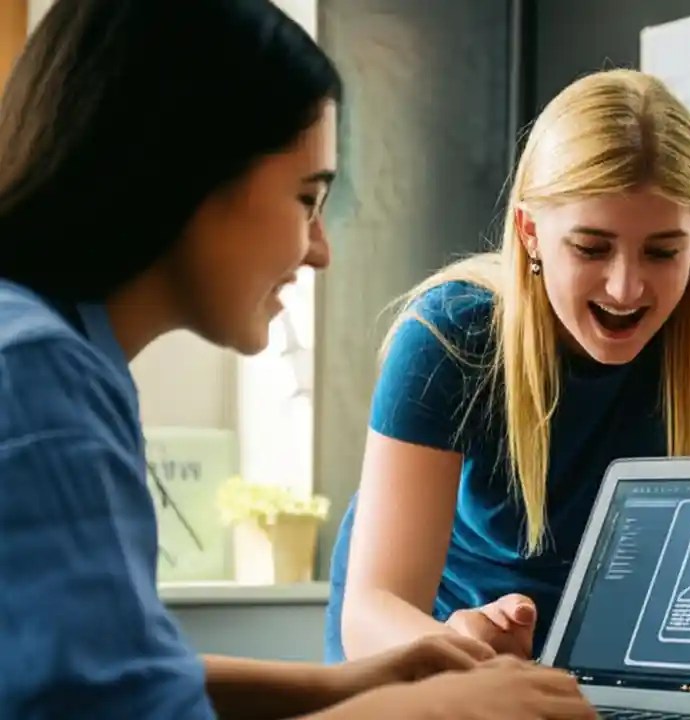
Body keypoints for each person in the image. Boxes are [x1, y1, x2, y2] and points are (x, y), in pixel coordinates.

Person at [0, 1, 593, 718]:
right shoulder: (36, 381)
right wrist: (449, 710)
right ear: (186, 170)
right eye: (306, 198)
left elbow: (117, 678)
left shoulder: (57, 358)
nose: (320, 248)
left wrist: (358, 683)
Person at [326, 68, 690, 664]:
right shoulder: (448, 336)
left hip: (618, 646)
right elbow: (373, 610)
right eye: (591, 248)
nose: (626, 288)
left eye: (663, 251)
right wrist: (465, 653)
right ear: (529, 233)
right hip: (438, 638)